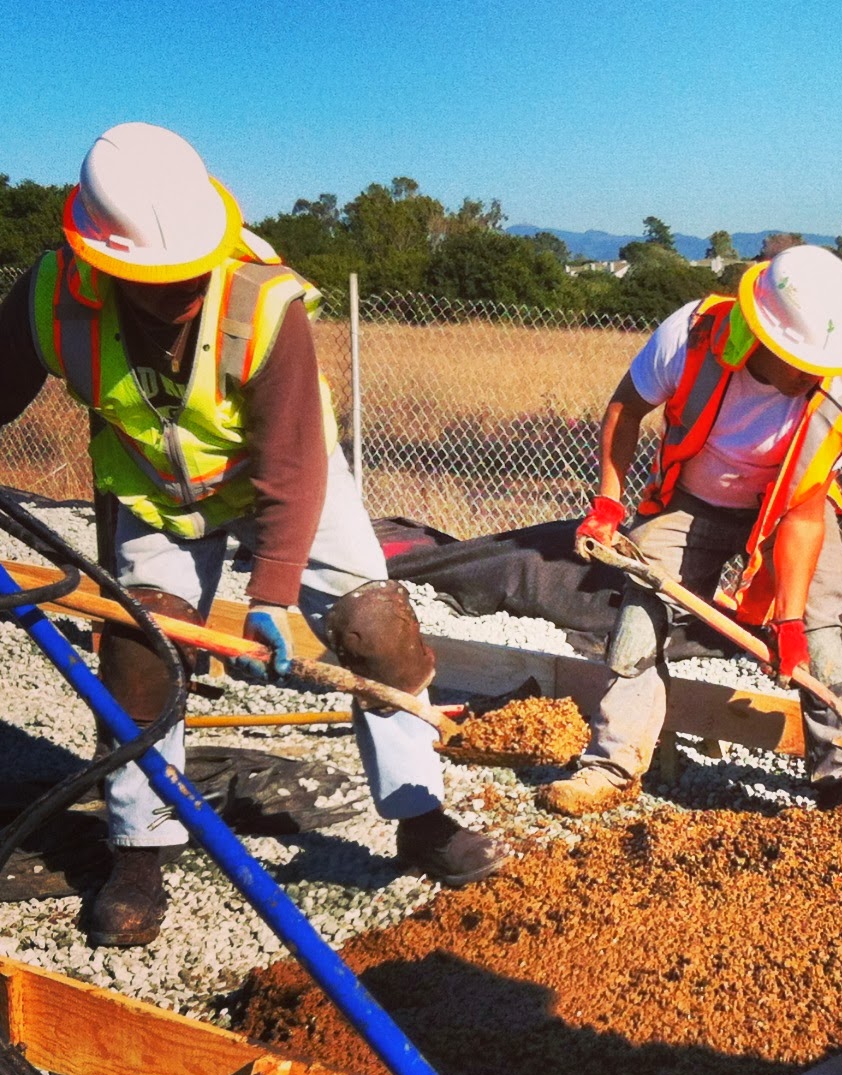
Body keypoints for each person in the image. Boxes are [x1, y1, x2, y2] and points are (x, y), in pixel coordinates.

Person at [0, 123, 506, 947]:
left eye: (189, 272)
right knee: (137, 648)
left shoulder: (263, 302)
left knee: (375, 627)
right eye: (155, 279)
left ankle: (421, 817)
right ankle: (139, 850)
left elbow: (291, 465)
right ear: (101, 261)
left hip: (287, 472)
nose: (182, 291)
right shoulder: (51, 296)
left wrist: (270, 592)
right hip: (157, 489)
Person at [538, 245, 842, 816]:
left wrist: (790, 620)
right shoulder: (694, 333)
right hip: (694, 499)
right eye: (797, 361)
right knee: (640, 619)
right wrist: (608, 498)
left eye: (818, 364)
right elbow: (627, 408)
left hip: (785, 506)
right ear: (761, 335)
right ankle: (612, 765)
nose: (810, 376)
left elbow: (801, 513)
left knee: (821, 626)